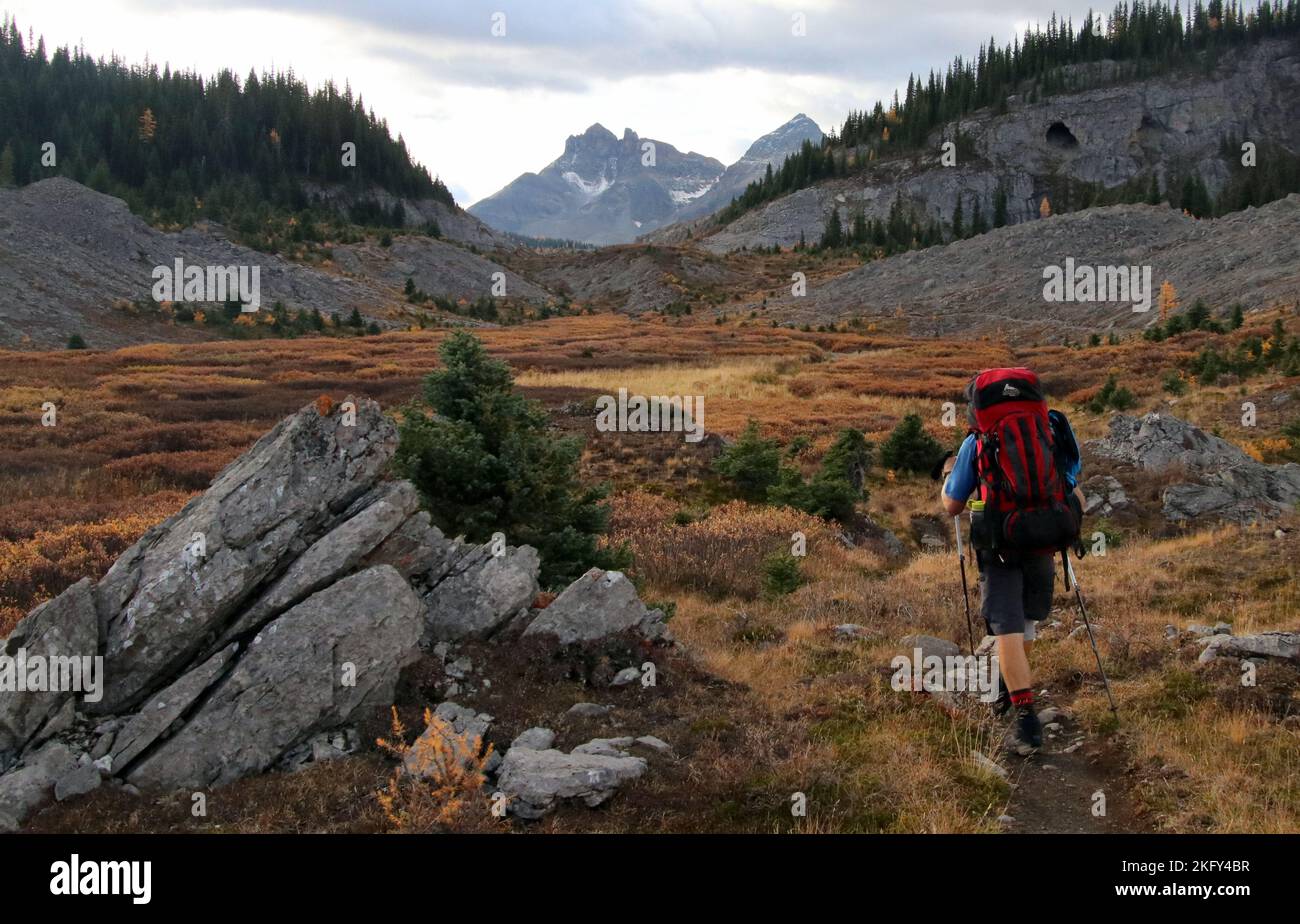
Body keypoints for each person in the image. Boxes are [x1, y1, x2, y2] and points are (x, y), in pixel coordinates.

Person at [939, 375, 1083, 753]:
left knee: (1007, 630)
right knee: (1027, 623)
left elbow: (953, 504)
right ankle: (1008, 688)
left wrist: (946, 482)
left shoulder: (978, 441)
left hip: (1000, 544)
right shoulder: (1052, 430)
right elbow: (1072, 484)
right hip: (1044, 540)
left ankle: (1026, 719)